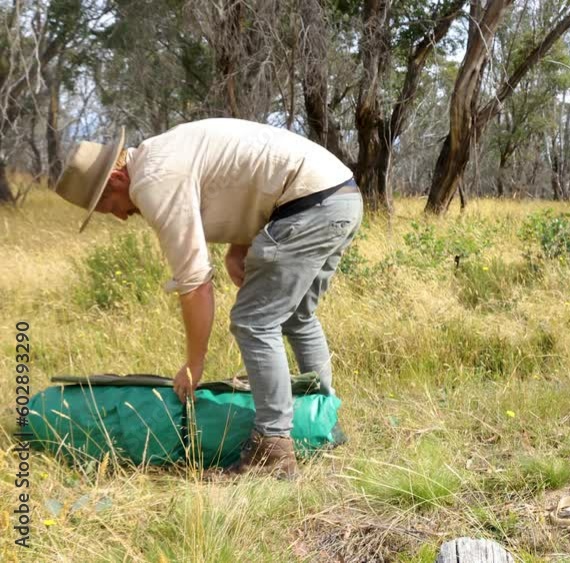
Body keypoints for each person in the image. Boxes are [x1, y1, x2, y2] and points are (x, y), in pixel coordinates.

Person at [53, 118, 364, 479]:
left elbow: (195, 281)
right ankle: (321, 420)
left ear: (116, 180)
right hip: (340, 196)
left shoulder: (154, 180)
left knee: (254, 321)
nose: (122, 217)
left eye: (109, 206)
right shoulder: (165, 151)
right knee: (297, 317)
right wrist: (239, 245)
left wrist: (193, 363)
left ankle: (273, 449)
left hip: (307, 204)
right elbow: (248, 175)